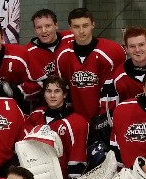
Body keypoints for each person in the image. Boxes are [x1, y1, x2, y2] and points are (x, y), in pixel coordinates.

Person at [54, 8, 126, 143]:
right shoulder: (62, 55)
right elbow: (62, 90)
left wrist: (106, 117)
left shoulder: (113, 51)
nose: (81, 31)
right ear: (70, 28)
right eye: (76, 27)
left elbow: (118, 87)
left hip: (107, 119)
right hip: (77, 120)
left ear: (93, 24)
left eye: (85, 26)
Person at [23, 9, 71, 104]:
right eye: (39, 27)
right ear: (34, 29)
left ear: (56, 25)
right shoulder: (27, 52)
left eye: (48, 26)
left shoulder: (71, 38)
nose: (43, 31)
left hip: (76, 99)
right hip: (47, 104)